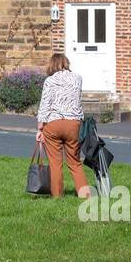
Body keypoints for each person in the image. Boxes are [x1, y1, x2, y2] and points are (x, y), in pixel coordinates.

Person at [36, 51, 90, 199]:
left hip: (53, 124)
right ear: (66, 63)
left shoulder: (50, 81)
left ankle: (57, 196)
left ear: (52, 65)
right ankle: (85, 195)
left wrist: (40, 127)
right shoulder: (77, 79)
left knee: (55, 163)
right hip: (73, 124)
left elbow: (45, 105)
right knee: (75, 162)